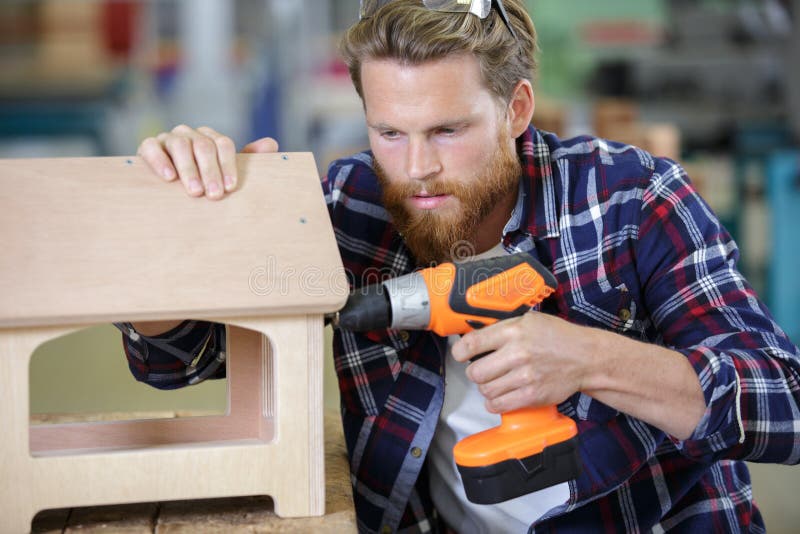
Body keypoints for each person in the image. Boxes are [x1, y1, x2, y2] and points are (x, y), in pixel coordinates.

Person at [119, 0, 800, 532]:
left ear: (516, 110)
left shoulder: (633, 200)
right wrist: (184, 219)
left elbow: (785, 405)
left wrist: (592, 359)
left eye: (448, 130)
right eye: (390, 132)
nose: (417, 170)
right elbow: (174, 363)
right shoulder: (346, 208)